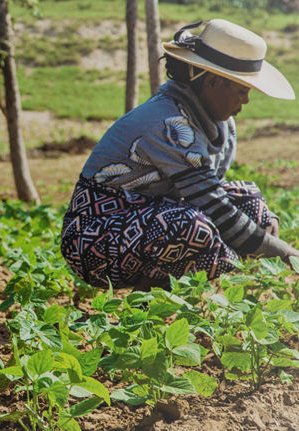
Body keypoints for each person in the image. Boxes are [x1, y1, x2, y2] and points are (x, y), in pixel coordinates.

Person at [61, 19, 299, 289]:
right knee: (190, 227)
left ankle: (184, 295)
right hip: (95, 241)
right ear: (212, 82)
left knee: (252, 206)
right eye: (242, 91)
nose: (245, 101)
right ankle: (148, 304)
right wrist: (287, 254)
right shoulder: (168, 124)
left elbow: (216, 197)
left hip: (151, 220)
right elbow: (215, 208)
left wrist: (261, 234)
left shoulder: (220, 125)